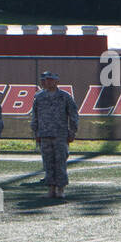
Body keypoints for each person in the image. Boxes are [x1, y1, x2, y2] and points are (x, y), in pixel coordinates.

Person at [30, 70, 79, 199]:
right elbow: (35, 115)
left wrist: (72, 131)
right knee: (48, 163)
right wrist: (36, 131)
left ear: (57, 81)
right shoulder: (39, 97)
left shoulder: (65, 96)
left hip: (60, 135)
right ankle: (51, 189)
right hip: (45, 134)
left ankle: (60, 189)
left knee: (60, 162)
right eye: (47, 79)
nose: (49, 81)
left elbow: (73, 114)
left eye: (51, 79)